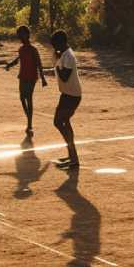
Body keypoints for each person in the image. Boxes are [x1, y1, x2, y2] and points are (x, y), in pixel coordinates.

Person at [3, 25, 47, 135]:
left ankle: (29, 124)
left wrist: (43, 78)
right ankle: (29, 119)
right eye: (19, 35)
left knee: (28, 98)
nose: (20, 37)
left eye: (21, 35)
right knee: (22, 98)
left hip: (31, 77)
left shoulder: (33, 50)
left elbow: (39, 64)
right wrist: (10, 65)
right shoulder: (21, 49)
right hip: (22, 76)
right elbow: (18, 60)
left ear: (27, 35)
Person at [50, 30, 83, 170]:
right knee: (64, 121)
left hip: (72, 95)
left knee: (58, 121)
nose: (54, 48)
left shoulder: (68, 56)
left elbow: (64, 76)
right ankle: (71, 155)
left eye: (55, 44)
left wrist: (56, 62)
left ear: (61, 42)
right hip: (67, 93)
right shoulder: (64, 54)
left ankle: (74, 157)